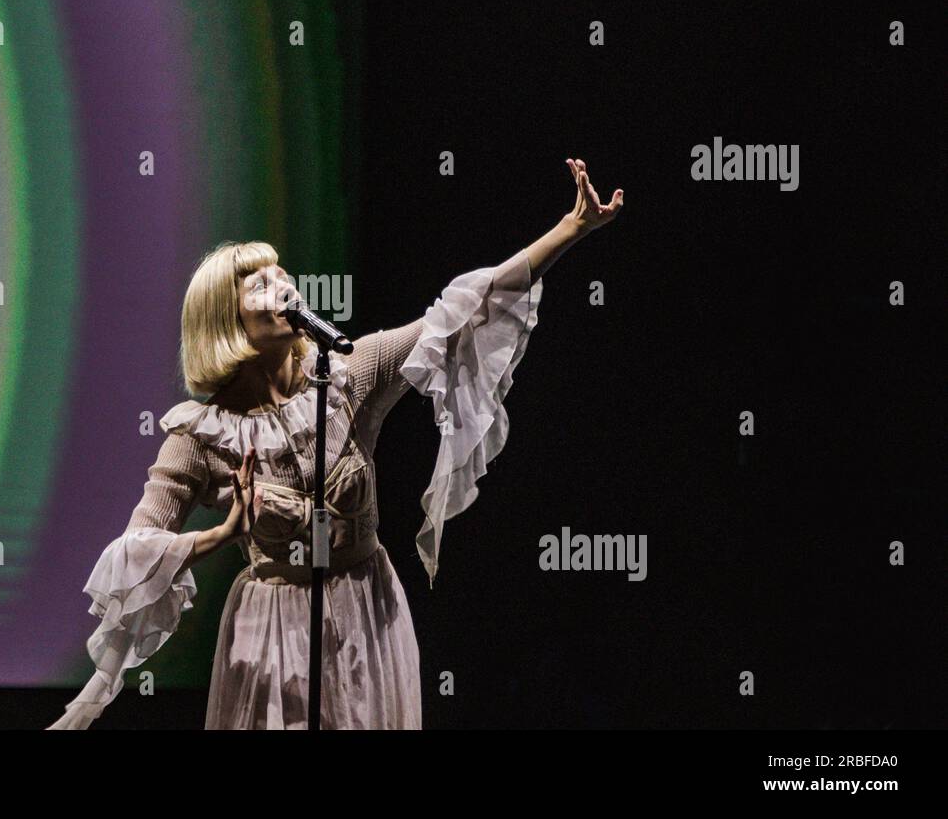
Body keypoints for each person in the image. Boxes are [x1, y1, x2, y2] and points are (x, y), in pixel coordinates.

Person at [48, 158, 622, 729]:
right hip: (270, 627)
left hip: (365, 608)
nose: (283, 286)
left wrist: (571, 229)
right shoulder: (201, 433)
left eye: (282, 273)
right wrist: (221, 535)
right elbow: (133, 550)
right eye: (261, 283)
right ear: (226, 317)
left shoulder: (349, 373)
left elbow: (457, 315)